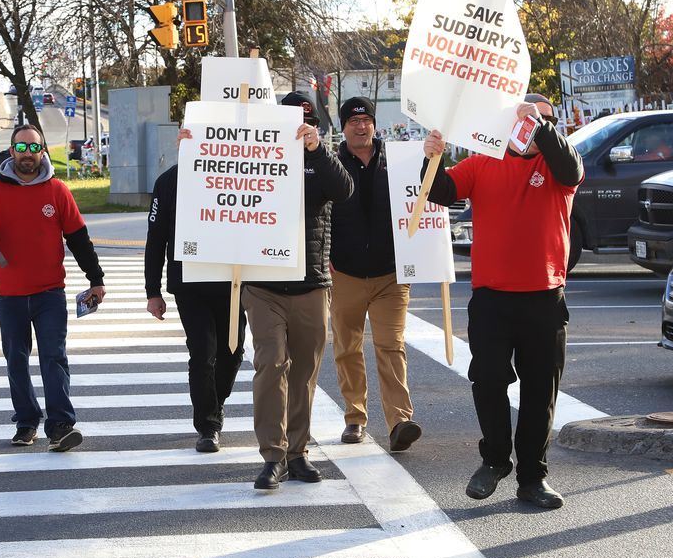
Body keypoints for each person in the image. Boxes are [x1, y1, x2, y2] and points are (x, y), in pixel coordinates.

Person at [422, 94, 583, 509]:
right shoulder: (483, 161)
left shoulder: (558, 166)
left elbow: (571, 166)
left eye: (545, 121)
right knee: (489, 379)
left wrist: (543, 126)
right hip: (492, 298)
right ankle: (495, 459)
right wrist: (433, 157)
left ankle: (533, 477)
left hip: (545, 297)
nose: (534, 127)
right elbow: (441, 192)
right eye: (527, 119)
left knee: (539, 391)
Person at [0, 125, 106, 452]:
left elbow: (79, 240)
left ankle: (61, 425)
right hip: (9, 293)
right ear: (11, 151)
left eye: (34, 148)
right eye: (21, 148)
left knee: (54, 357)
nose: (28, 154)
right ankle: (26, 422)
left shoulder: (57, 191)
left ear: (43, 151)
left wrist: (96, 278)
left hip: (49, 292)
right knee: (16, 359)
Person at [241, 91, 353, 490]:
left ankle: (297, 452)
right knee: (271, 364)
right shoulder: (254, 155)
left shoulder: (321, 159)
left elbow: (344, 191)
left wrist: (317, 151)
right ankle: (272, 455)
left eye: (307, 120)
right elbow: (214, 172)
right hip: (264, 284)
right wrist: (194, 147)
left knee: (305, 372)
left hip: (310, 283)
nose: (299, 124)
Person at [329, 96, 421, 451]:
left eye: (366, 120)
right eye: (353, 122)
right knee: (347, 348)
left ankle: (400, 420)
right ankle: (354, 418)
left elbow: (425, 195)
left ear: (374, 123)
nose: (360, 126)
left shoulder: (399, 161)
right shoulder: (332, 164)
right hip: (345, 274)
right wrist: (323, 255)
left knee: (391, 346)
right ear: (343, 127)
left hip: (390, 275)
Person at [145, 161, 245, 454]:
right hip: (189, 281)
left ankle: (216, 403)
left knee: (233, 351)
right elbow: (156, 238)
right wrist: (153, 291)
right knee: (202, 353)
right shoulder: (169, 180)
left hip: (231, 280)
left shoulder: (235, 173)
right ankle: (208, 425)